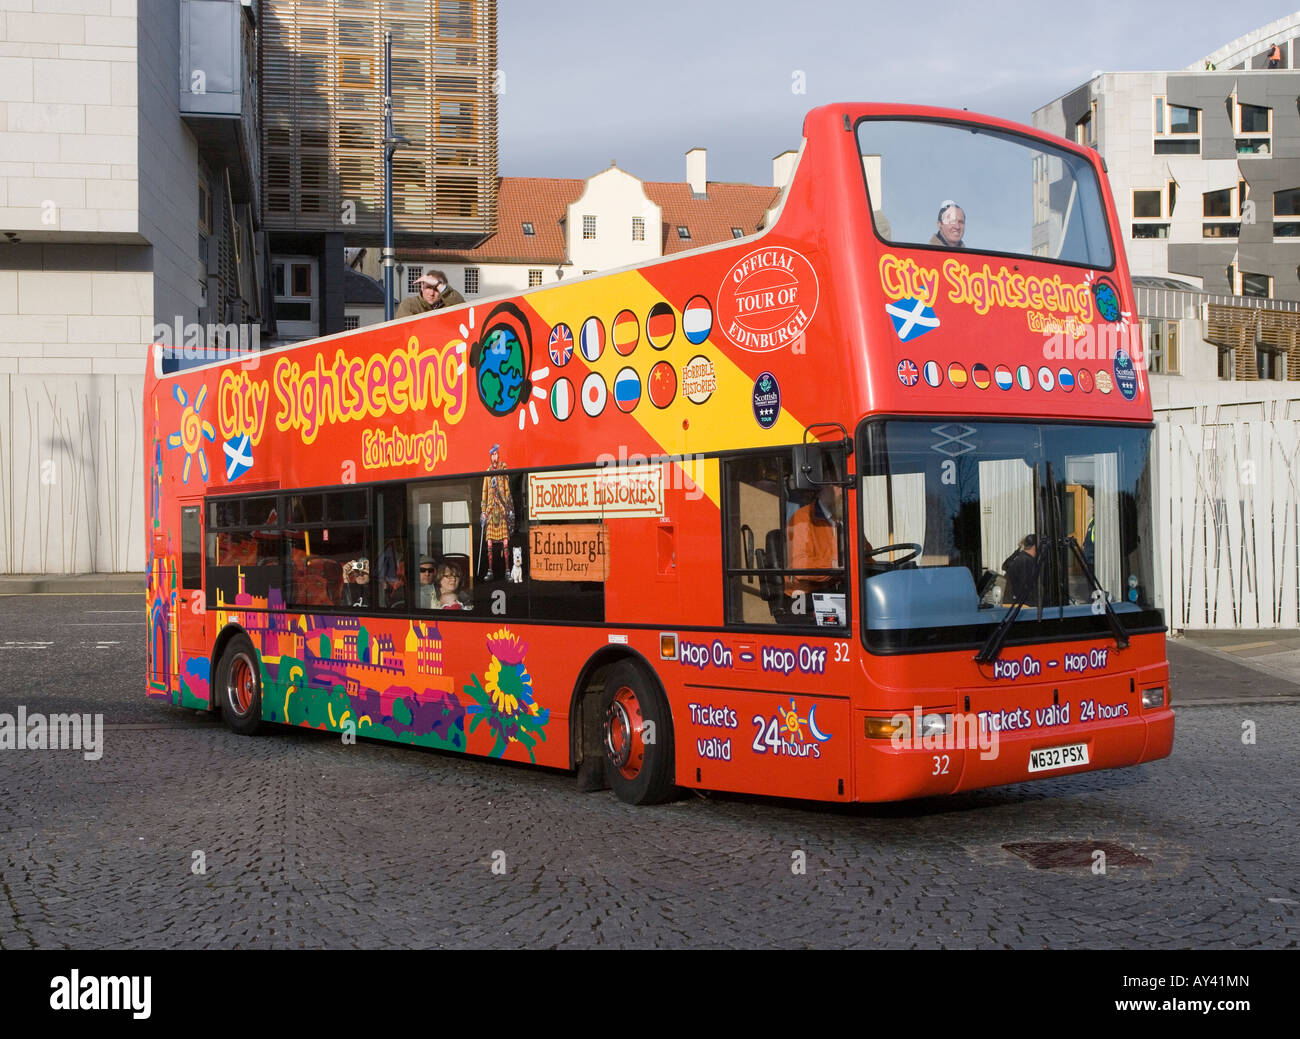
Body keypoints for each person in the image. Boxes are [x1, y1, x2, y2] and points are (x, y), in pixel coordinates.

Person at [786, 480, 842, 595]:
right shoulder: (802, 519)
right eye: (838, 485)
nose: (844, 490)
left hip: (838, 589)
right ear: (822, 486)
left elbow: (865, 555)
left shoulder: (848, 519)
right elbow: (799, 566)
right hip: (806, 597)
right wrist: (832, 566)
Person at [481, 444, 513, 579]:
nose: (495, 457)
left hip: (501, 510)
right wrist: (483, 511)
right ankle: (490, 570)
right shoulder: (487, 473)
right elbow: (484, 493)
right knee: (489, 543)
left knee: (505, 542)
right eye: (492, 455)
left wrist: (507, 507)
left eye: (496, 454)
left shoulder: (503, 471)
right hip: (490, 509)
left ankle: (507, 570)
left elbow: (507, 491)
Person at [396, 270, 466, 318]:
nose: (431, 293)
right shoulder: (410, 304)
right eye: (428, 287)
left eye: (436, 289)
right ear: (422, 287)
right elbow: (402, 331)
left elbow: (464, 310)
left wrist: (438, 284)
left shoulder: (449, 305)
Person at [1001, 534, 1038, 605]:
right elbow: (1027, 588)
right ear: (1035, 547)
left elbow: (1005, 565)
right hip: (1023, 606)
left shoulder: (1020, 557)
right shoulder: (1027, 561)